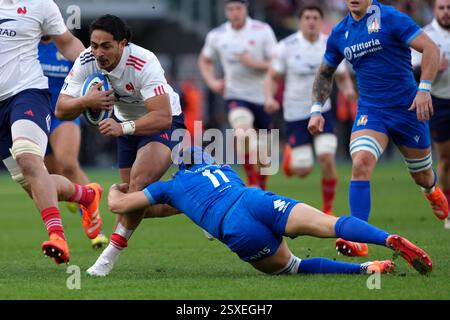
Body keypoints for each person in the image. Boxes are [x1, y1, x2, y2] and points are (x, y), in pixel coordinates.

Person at [86, 147, 433, 277]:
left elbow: (119, 205)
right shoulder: (225, 169)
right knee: (333, 223)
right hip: (255, 199)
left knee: (292, 267)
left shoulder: (171, 187)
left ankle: (363, 269)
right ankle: (387, 238)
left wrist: (121, 186)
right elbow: (198, 203)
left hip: (235, 226)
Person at [308, 0, 448, 257]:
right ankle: (358, 238)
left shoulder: (391, 18)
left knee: (422, 176)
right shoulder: (340, 32)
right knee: (360, 163)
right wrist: (316, 108)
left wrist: (424, 89)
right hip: (371, 112)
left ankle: (430, 190)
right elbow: (325, 73)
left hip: (408, 110)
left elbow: (430, 49)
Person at [56, 15, 185, 272]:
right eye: (93, 45)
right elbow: (61, 109)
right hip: (125, 126)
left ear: (123, 44)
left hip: (160, 124)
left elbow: (162, 116)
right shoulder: (86, 60)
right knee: (133, 203)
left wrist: (122, 127)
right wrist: (86, 101)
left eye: (106, 46)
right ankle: (195, 203)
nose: (98, 52)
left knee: (137, 186)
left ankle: (106, 260)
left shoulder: (144, 61)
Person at [0, 0, 104, 264]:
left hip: (27, 93)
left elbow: (67, 42)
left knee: (29, 158)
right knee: (34, 183)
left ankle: (57, 237)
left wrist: (96, 73)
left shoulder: (41, 4)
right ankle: (86, 195)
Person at [264, 5, 356, 215]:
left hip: (323, 112)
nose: (311, 21)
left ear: (321, 21)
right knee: (303, 170)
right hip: (295, 114)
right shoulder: (286, 46)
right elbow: (272, 76)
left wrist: (348, 91)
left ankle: (328, 208)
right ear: (300, 21)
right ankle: (290, 157)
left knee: (326, 157)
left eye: (315, 17)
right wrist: (269, 98)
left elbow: (341, 76)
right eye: (307, 18)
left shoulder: (329, 44)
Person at [198, 0, 277, 190]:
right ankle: (252, 185)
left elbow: (277, 64)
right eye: (231, 9)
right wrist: (212, 81)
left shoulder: (262, 30)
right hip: (235, 95)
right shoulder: (217, 35)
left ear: (246, 9)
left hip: (263, 96)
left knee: (264, 156)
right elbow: (205, 60)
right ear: (226, 11)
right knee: (243, 133)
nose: (235, 13)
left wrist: (253, 63)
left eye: (238, 8)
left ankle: (262, 189)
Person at [38, 37, 109, 248]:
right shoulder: (27, 41)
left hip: (63, 112)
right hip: (35, 113)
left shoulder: (67, 44)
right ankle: (72, 195)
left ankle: (95, 223)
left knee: (68, 163)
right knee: (51, 176)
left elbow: (89, 76)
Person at [412, 0, 450, 230]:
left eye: (449, 8)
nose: (446, 12)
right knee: (446, 157)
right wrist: (434, 66)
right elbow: (414, 69)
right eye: (442, 8)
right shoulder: (426, 35)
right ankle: (447, 209)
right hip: (438, 102)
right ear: (435, 10)